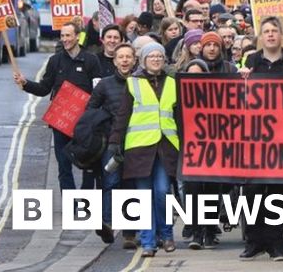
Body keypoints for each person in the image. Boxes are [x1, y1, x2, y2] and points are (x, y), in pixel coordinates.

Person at [13, 20, 102, 190]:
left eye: (68, 35)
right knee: (64, 167)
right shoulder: (55, 61)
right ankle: (71, 206)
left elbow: (98, 92)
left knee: (89, 166)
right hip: (61, 123)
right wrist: (25, 83)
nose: (65, 39)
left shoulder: (91, 60)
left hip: (85, 123)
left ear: (77, 37)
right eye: (62, 36)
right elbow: (44, 88)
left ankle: (85, 205)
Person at [237, 16, 283, 261]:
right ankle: (254, 242)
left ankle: (275, 244)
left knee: (278, 194)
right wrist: (239, 79)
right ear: (261, 36)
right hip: (254, 138)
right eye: (266, 31)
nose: (270, 35)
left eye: (274, 31)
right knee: (251, 192)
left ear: (281, 35)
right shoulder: (250, 60)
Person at [110, 42, 179, 257]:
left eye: (160, 56)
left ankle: (166, 235)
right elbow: (123, 116)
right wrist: (115, 142)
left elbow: (180, 116)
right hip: (139, 149)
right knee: (143, 196)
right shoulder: (133, 84)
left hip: (166, 147)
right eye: (152, 56)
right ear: (144, 60)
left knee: (162, 192)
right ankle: (149, 242)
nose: (156, 59)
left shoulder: (173, 83)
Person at [86, 42, 137, 246]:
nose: (124, 60)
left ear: (134, 60)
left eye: (128, 57)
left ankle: (129, 234)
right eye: (120, 57)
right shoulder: (104, 84)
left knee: (130, 186)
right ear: (114, 61)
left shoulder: (140, 82)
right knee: (111, 182)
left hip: (136, 142)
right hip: (111, 143)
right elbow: (90, 110)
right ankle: (107, 224)